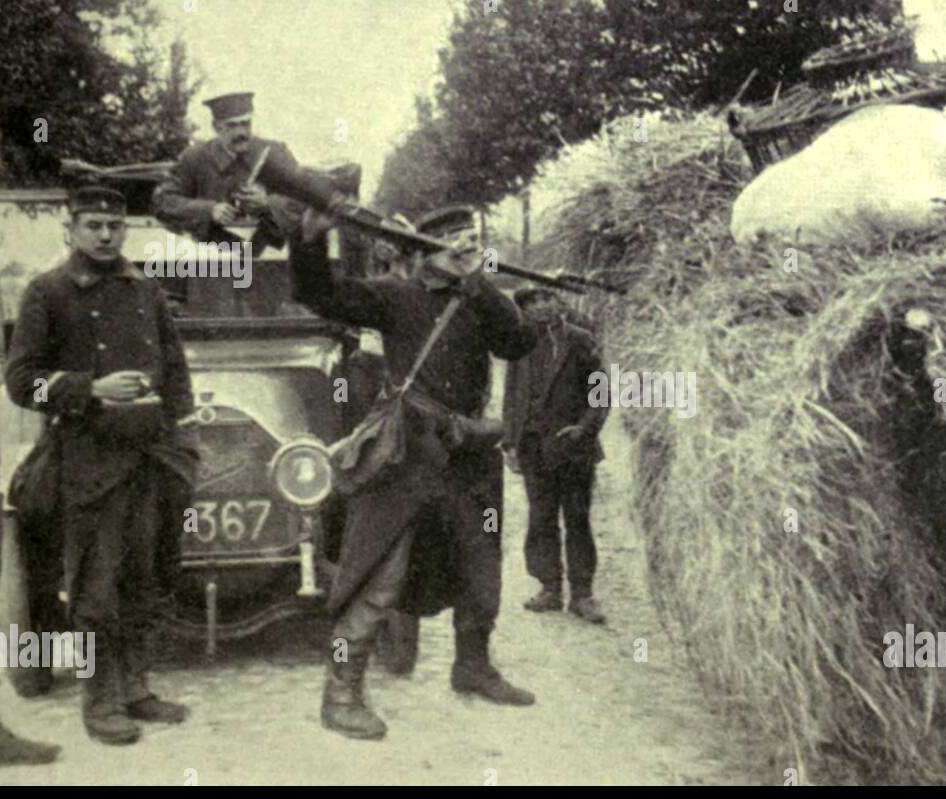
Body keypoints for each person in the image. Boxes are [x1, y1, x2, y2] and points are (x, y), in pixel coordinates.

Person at [289, 204, 538, 741]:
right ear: (427, 249)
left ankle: (472, 666)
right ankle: (341, 691)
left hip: (469, 457)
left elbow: (518, 342)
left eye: (473, 239)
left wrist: (480, 284)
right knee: (377, 576)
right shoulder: (394, 295)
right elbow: (321, 295)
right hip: (407, 456)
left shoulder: (477, 300)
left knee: (481, 569)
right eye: (455, 241)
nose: (467, 248)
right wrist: (308, 243)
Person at [5, 187, 197, 746]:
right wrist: (91, 389)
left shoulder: (145, 291)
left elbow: (177, 370)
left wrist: (184, 441)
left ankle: (135, 688)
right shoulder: (48, 292)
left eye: (115, 225)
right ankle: (100, 700)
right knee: (94, 591)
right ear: (72, 229)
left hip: (149, 461)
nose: (106, 235)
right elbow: (22, 381)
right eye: (94, 225)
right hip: (88, 463)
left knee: (145, 581)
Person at [502, 289, 609, 623]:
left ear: (560, 303)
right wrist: (509, 442)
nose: (541, 306)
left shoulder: (581, 340)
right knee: (540, 518)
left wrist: (583, 428)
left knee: (577, 518)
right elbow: (512, 395)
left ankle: (582, 594)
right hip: (534, 446)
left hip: (573, 447)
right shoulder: (518, 343)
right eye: (531, 302)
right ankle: (549, 588)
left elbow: (600, 392)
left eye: (546, 298)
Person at [152, 91, 300, 246]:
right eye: (232, 125)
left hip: (270, 257)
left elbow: (308, 201)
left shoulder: (276, 154)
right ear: (217, 127)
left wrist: (268, 203)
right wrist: (209, 210)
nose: (241, 132)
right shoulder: (195, 158)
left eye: (245, 123)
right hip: (211, 258)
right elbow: (162, 201)